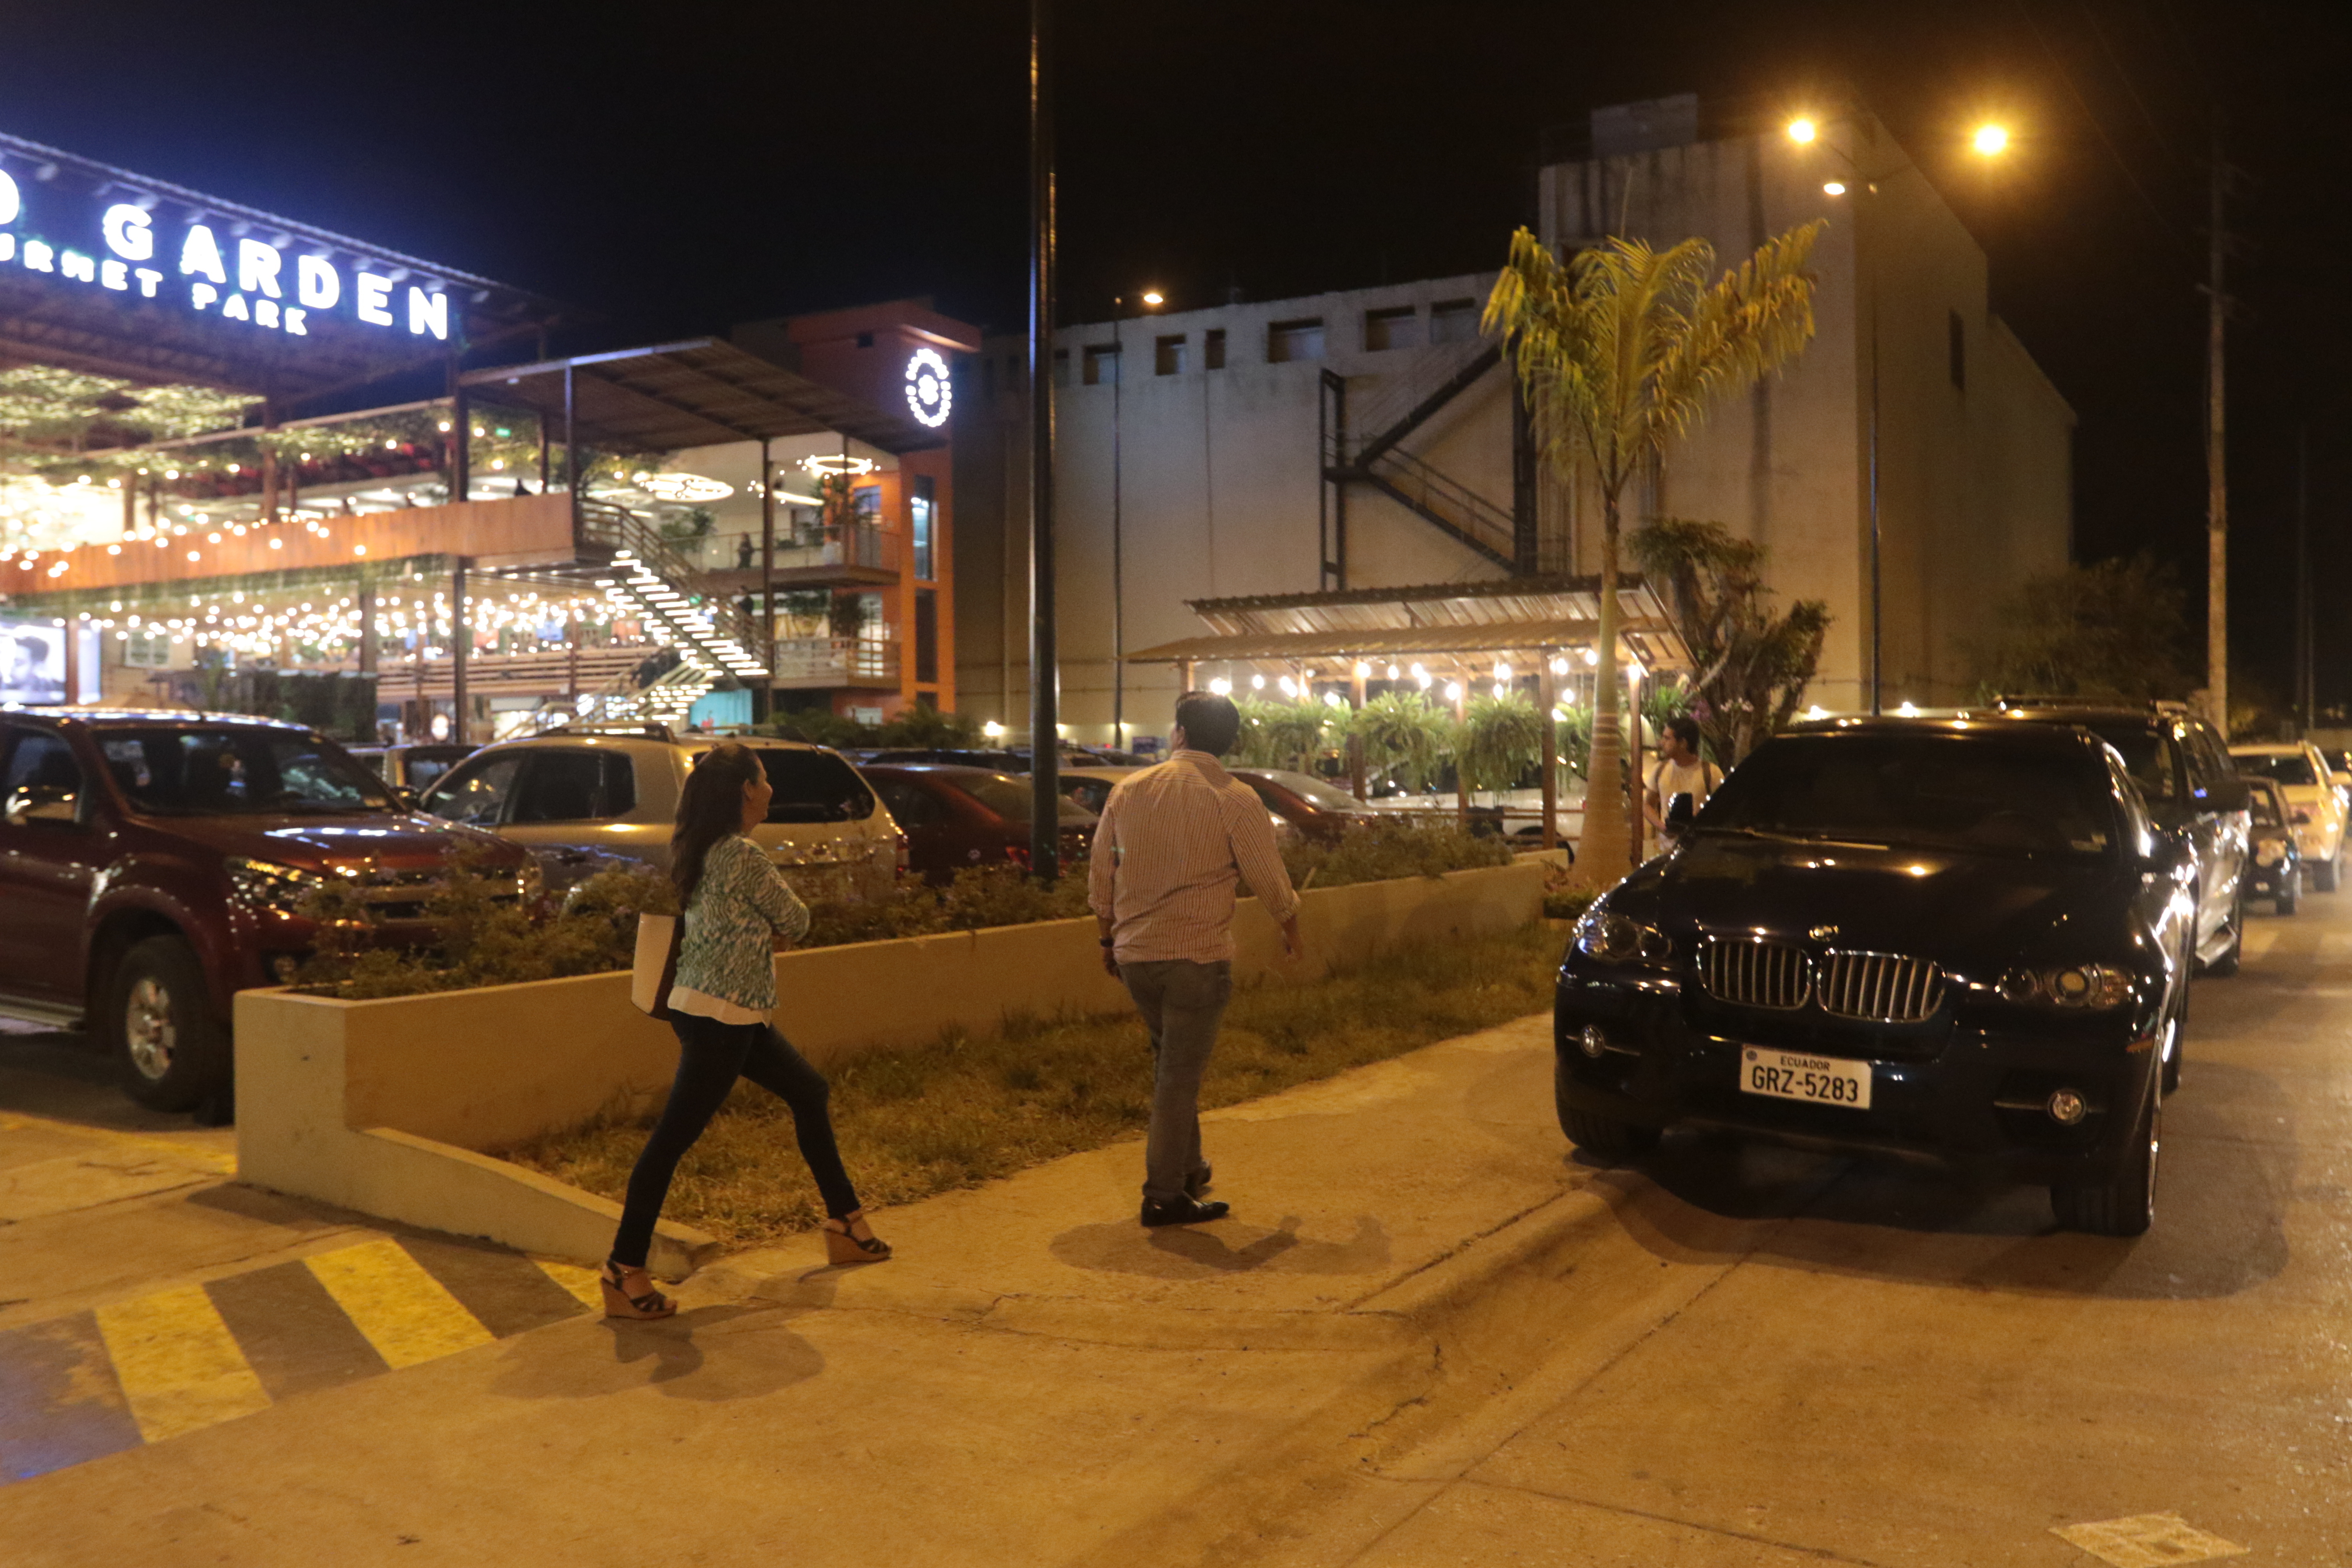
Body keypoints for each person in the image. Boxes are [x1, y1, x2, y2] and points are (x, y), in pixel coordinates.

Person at [601, 743, 888, 1321]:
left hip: (725, 1010)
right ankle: (622, 1268)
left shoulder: (700, 849)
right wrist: (770, 928)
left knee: (810, 1092)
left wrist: (758, 932)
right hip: (719, 1015)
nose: (772, 789)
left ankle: (845, 1223)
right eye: (765, 779)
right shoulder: (743, 856)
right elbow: (798, 919)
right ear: (747, 792)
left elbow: (742, 921)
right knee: (671, 1141)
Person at [1089, 692, 1303, 1227]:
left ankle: (1190, 1169)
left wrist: (1106, 937)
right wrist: (1290, 926)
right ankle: (1163, 1195)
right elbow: (1268, 876)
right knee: (1178, 1077)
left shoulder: (1128, 791)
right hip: (1197, 959)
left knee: (1172, 1065)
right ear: (1226, 742)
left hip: (1137, 955)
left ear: (1179, 732)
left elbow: (1102, 871)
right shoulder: (1234, 797)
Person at [1643, 715, 1723, 853]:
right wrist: (1663, 828)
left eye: (1667, 738)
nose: (1662, 742)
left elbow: (1724, 809)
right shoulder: (1660, 770)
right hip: (1666, 851)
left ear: (1683, 743)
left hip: (1699, 850)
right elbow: (1647, 805)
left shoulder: (1711, 773)